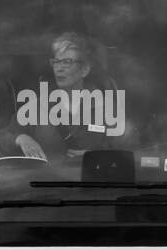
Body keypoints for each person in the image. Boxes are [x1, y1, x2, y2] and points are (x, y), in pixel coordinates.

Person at [13, 32, 125, 160]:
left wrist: (97, 157)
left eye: (67, 62)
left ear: (84, 69)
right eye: (56, 62)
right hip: (46, 179)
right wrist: (20, 138)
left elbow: (133, 153)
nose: (59, 68)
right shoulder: (37, 108)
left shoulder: (107, 109)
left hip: (92, 178)